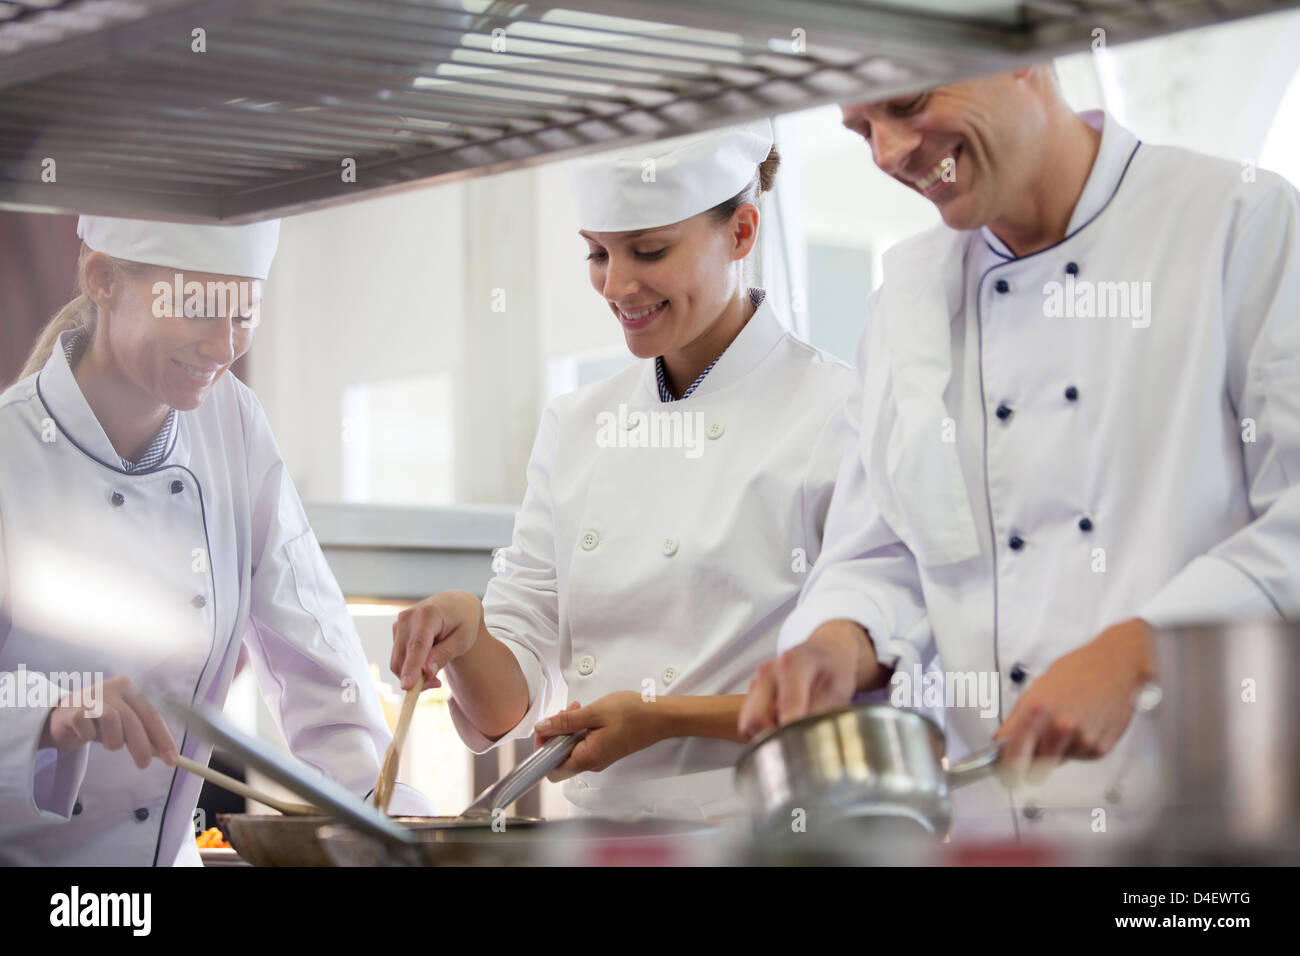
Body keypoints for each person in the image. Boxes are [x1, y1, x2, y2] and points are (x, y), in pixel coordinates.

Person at [740, 66, 1300, 840]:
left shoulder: (1239, 222)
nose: (889, 151)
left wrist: (1139, 648)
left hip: (1207, 830)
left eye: (907, 105)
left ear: (1022, 53)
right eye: (861, 128)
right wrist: (843, 636)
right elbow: (887, 551)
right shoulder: (905, 295)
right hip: (994, 834)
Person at [390, 121, 855, 817]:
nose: (617, 285)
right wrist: (470, 633)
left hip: (778, 834)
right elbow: (508, 703)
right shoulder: (577, 425)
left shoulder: (839, 412)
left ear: (742, 232)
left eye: (649, 251)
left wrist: (661, 718)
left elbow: (867, 680)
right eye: (597, 254)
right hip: (607, 841)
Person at [0, 215, 431, 865]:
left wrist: (382, 814)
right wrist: (48, 721)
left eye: (244, 313)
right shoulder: (12, 454)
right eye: (199, 309)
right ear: (104, 280)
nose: (225, 346)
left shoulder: (233, 422)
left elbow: (311, 640)